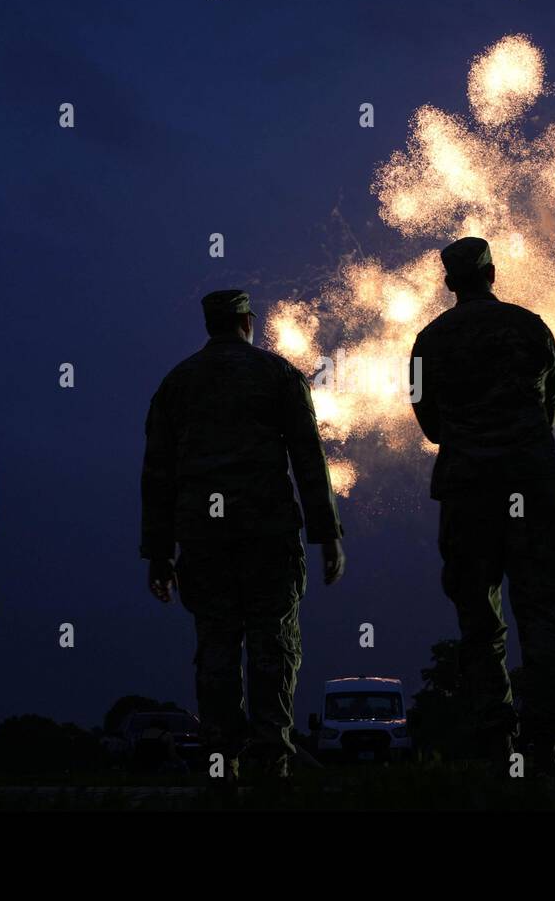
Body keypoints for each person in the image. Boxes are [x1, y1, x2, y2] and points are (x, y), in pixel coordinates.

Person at [141, 290, 345, 780]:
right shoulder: (278, 376)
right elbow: (308, 460)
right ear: (247, 322)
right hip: (267, 537)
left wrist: (158, 554)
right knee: (273, 646)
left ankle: (220, 762)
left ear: (210, 324)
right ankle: (270, 760)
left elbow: (157, 475)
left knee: (216, 647)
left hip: (203, 542)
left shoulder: (176, 384)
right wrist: (327, 534)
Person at [409, 237, 555, 775]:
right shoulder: (532, 327)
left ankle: (495, 743)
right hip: (531, 485)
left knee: (479, 621)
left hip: (468, 493)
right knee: (542, 612)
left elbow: (430, 423)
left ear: (449, 282)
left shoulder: (428, 342)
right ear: (492, 272)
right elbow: (550, 404)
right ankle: (544, 743)